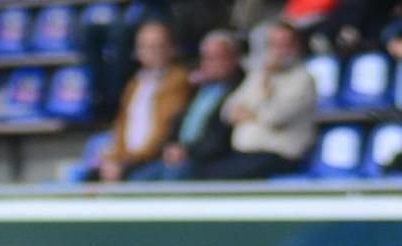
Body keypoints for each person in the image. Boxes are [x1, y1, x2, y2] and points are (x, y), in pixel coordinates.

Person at [195, 21, 316, 179]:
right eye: (274, 45)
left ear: (297, 46)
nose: (279, 51)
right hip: (245, 155)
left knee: (216, 176)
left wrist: (261, 96)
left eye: (285, 44)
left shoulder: (303, 79)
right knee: (200, 169)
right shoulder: (258, 75)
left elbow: (274, 117)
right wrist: (257, 112)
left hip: (280, 155)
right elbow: (228, 111)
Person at [135, 29, 242, 181]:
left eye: (217, 58)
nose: (209, 64)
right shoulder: (199, 89)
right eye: (206, 58)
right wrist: (170, 146)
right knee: (137, 179)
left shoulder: (240, 90)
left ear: (234, 58)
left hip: (205, 161)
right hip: (177, 155)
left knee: (174, 176)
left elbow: (220, 137)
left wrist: (188, 152)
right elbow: (176, 122)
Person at [92, 21, 191, 182]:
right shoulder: (135, 84)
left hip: (152, 160)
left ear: (171, 49)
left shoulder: (177, 81)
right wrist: (115, 158)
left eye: (157, 46)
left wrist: (126, 161)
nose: (151, 52)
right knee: (89, 176)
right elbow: (122, 124)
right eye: (145, 46)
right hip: (127, 160)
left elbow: (163, 130)